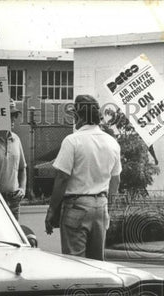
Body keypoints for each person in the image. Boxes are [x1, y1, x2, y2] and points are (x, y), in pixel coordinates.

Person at [44, 94, 121, 261]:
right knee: (97, 263)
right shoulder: (112, 142)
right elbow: (116, 180)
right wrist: (108, 207)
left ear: (79, 116)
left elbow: (62, 178)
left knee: (75, 264)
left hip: (76, 206)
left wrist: (52, 210)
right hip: (101, 205)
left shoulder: (72, 141)